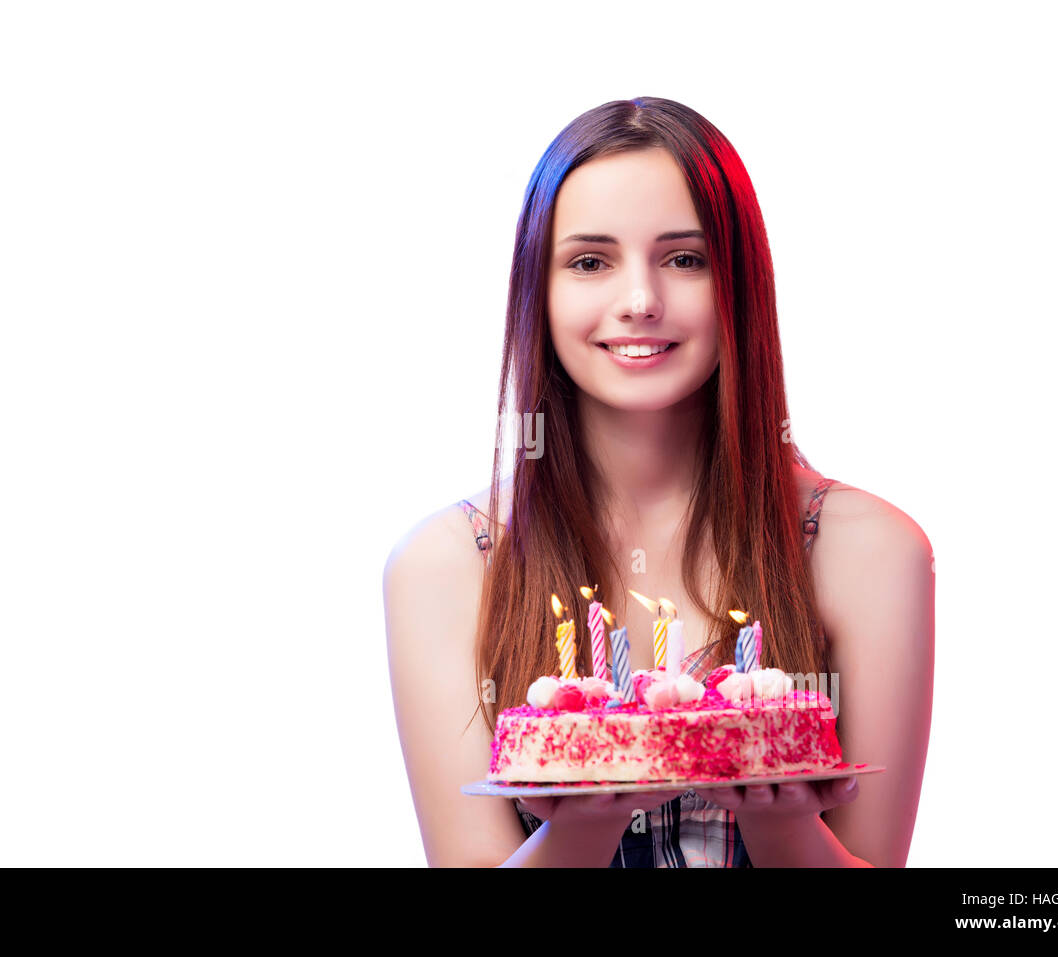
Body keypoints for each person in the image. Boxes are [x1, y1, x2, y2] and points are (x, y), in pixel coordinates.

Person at [383, 97, 934, 867]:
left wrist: (783, 821)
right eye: (589, 261)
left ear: (739, 283)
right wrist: (578, 824)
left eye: (684, 258)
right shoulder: (448, 565)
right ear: (536, 292)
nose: (640, 300)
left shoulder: (869, 550)